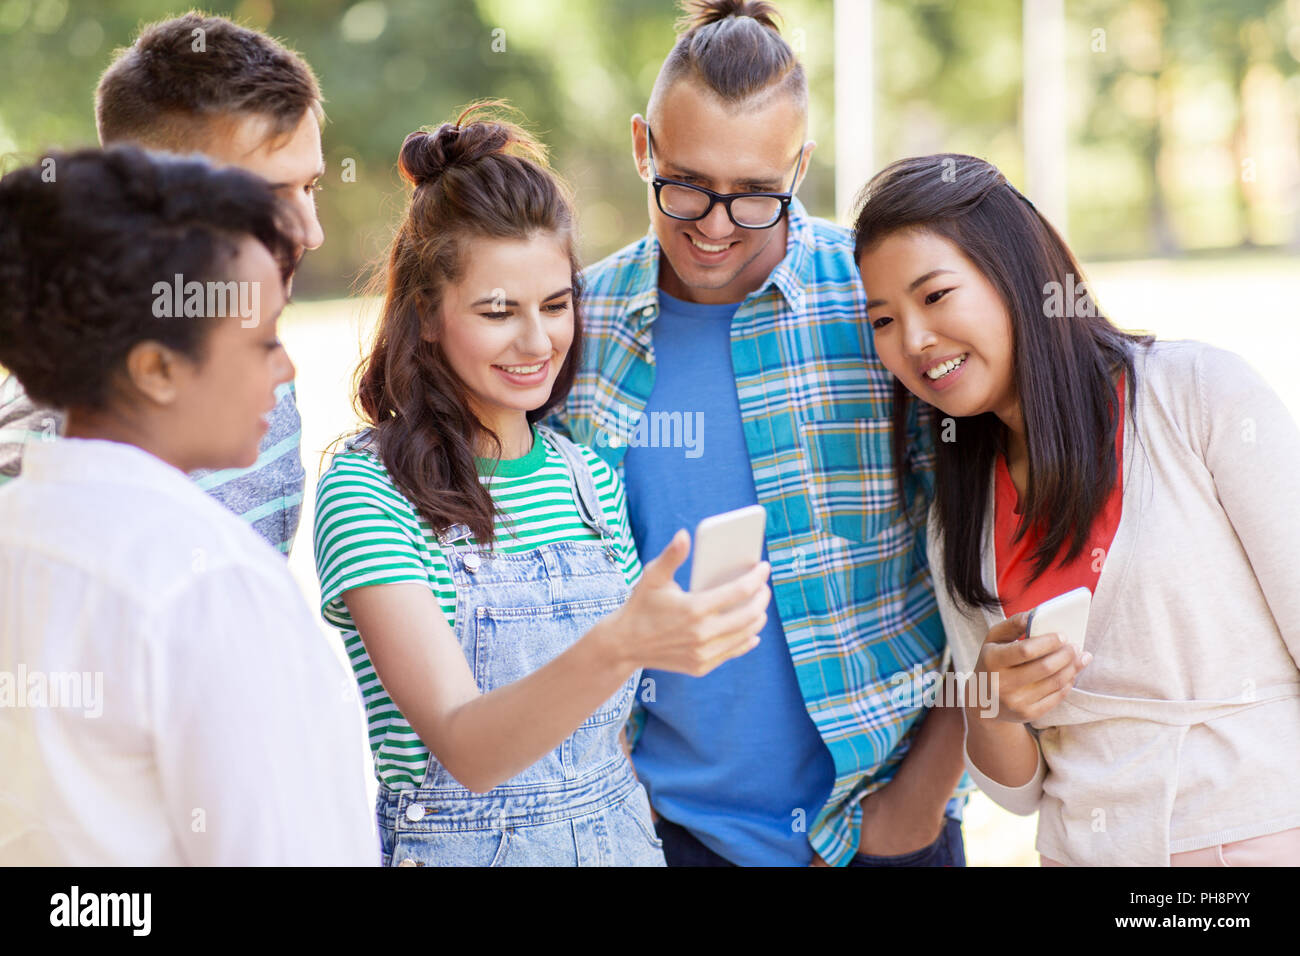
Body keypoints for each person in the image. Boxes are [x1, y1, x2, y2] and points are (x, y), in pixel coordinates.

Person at [543, 0, 969, 867]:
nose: (712, 226)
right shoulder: (567, 333)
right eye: (686, 183)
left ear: (801, 166)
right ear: (642, 146)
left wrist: (916, 809)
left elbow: (980, 562)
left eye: (756, 196)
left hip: (884, 825)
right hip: (667, 835)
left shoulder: (878, 311)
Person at [312, 105, 769, 867]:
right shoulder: (368, 491)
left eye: (556, 306)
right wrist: (623, 643)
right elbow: (468, 747)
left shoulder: (586, 474)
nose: (537, 342)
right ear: (426, 315)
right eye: (498, 312)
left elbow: (605, 741)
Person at [853, 152, 1300, 866]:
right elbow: (1021, 791)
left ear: (1019, 277)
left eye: (934, 296)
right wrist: (994, 709)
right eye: (882, 320)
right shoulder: (957, 520)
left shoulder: (1197, 396)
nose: (912, 341)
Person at [0, 146, 375, 865]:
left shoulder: (20, 533)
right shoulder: (208, 583)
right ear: (158, 369)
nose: (287, 367)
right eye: (264, 341)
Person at [0, 12, 324, 556]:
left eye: (311, 186)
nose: (311, 233)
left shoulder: (257, 370)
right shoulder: (45, 450)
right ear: (149, 196)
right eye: (265, 198)